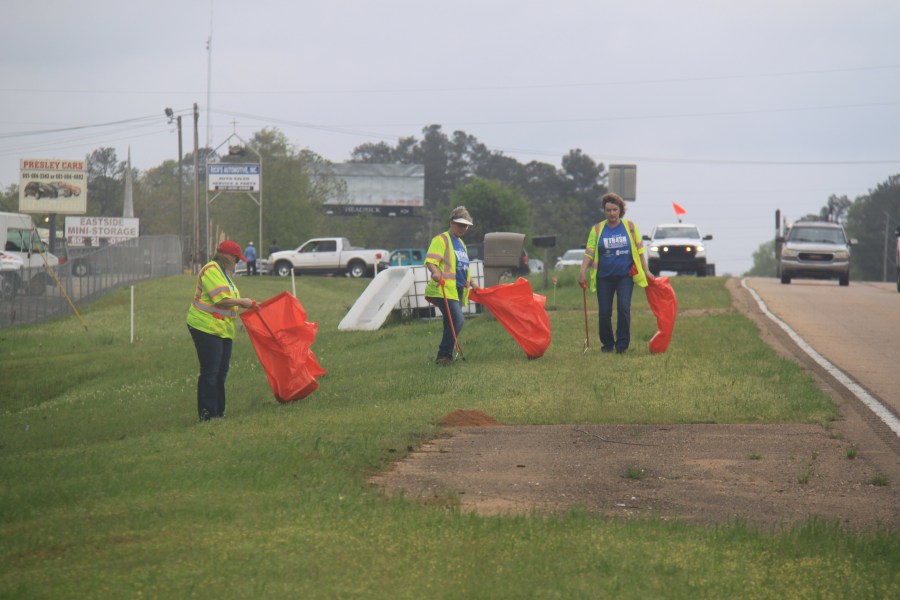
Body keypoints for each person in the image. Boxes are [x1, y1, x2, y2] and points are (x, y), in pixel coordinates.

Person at [186, 240, 256, 420]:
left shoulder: (224, 274)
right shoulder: (211, 270)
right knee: (211, 371)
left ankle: (219, 411)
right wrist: (242, 302)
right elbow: (220, 300)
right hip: (205, 326)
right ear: (227, 257)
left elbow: (229, 300)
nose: (237, 262)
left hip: (221, 328)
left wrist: (251, 306)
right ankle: (208, 414)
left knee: (221, 371)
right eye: (236, 259)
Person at [578, 193, 654, 354]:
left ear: (620, 210)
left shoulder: (630, 227)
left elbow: (640, 251)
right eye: (608, 210)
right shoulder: (597, 229)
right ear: (604, 211)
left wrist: (646, 270)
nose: (611, 213)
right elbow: (589, 252)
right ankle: (607, 345)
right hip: (604, 278)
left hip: (625, 276)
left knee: (624, 308)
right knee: (604, 313)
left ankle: (622, 345)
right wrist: (582, 271)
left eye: (614, 210)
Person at [424, 206, 479, 365]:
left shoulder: (461, 244)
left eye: (466, 225)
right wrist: (435, 272)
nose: (463, 228)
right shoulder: (441, 240)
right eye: (460, 224)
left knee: (450, 323)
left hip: (458, 290)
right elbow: (431, 260)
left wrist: (472, 282)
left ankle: (445, 356)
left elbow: (463, 267)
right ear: (451, 222)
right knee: (458, 320)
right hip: (443, 289)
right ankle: (444, 355)